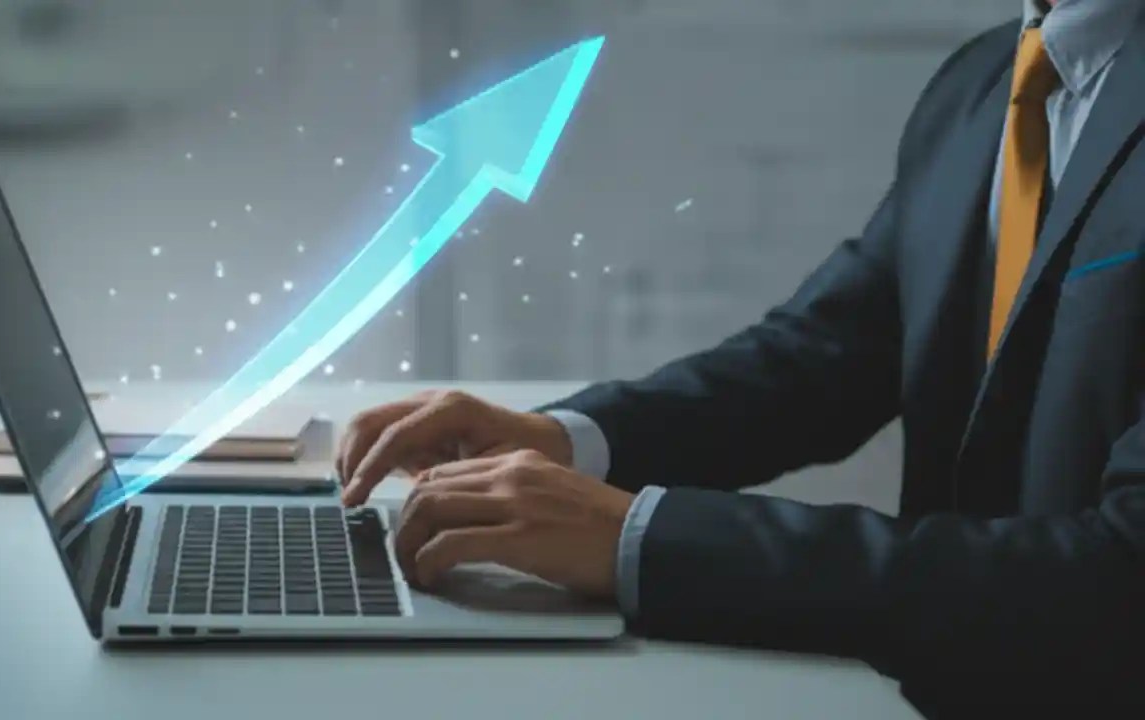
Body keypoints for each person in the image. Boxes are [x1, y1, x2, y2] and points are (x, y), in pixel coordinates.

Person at [336, 0, 1145, 712]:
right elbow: (823, 356)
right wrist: (570, 440)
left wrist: (643, 538)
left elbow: (1120, 577)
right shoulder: (980, 86)